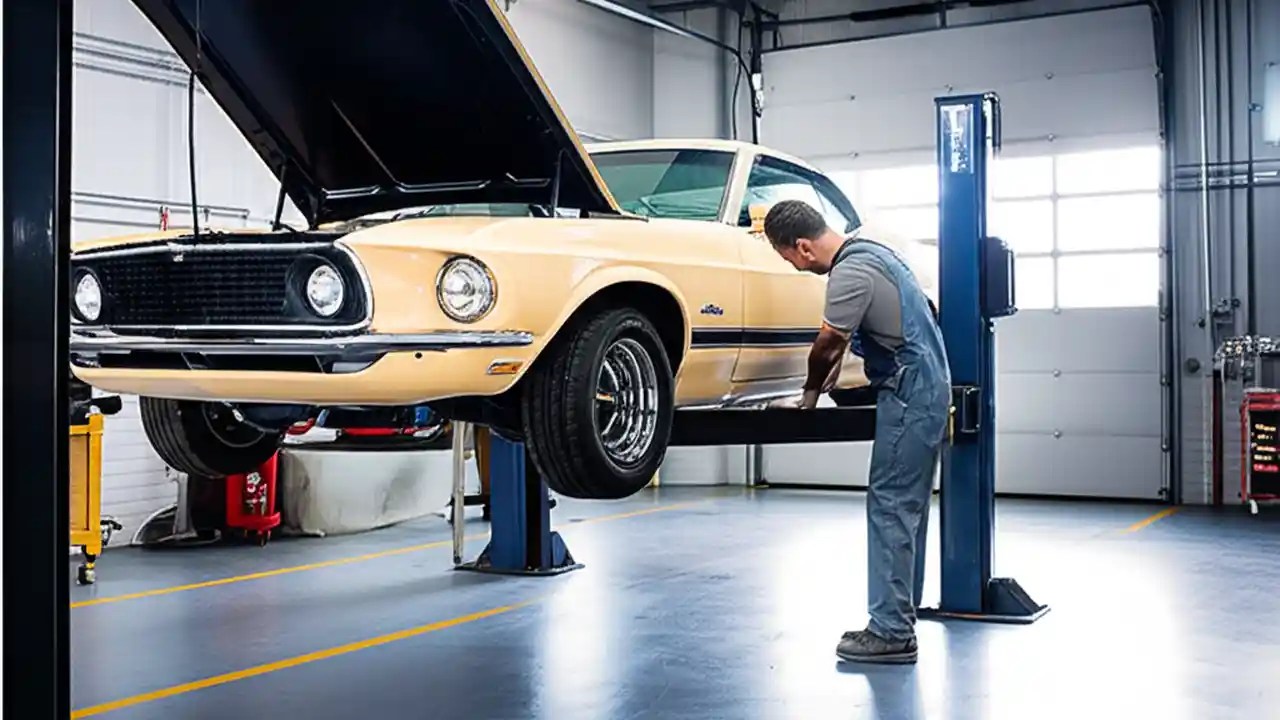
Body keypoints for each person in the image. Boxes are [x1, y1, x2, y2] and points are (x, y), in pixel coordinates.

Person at [762, 199, 951, 665]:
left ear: (803, 247)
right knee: (905, 508)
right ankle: (898, 618)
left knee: (890, 506)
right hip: (921, 385)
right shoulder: (876, 252)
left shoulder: (849, 272)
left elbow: (828, 342)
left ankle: (890, 632)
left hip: (909, 392)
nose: (793, 267)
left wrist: (808, 394)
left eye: (787, 257)